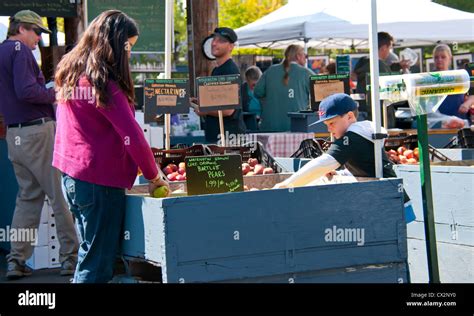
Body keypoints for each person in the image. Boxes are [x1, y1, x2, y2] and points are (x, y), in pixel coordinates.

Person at [53, 10, 169, 283]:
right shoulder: (103, 82)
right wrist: (153, 175)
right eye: (128, 46)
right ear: (114, 44)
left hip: (72, 175)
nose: (129, 53)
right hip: (98, 180)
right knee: (97, 265)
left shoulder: (70, 72)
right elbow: (133, 134)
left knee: (90, 253)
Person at [0, 10, 79, 280]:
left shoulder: (1, 51)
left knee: (27, 199)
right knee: (59, 195)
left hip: (14, 135)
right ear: (21, 28)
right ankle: (71, 259)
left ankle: (16, 261)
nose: (38, 39)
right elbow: (26, 91)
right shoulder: (19, 50)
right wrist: (55, 93)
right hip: (37, 131)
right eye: (36, 32)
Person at [274, 94, 415, 223]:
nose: (329, 129)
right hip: (391, 200)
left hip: (390, 203)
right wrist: (342, 173)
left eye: (332, 123)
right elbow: (364, 166)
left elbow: (322, 163)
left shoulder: (353, 137)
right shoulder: (359, 134)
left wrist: (287, 185)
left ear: (349, 117)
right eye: (326, 125)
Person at [194, 27, 246, 143]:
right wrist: (199, 102)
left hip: (228, 137)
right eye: (214, 38)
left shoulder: (230, 70)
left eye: (221, 40)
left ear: (231, 46)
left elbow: (228, 110)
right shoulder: (217, 70)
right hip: (218, 136)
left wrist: (204, 110)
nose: (214, 43)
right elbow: (216, 102)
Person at [254, 45, 315, 132]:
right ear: (298, 56)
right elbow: (320, 95)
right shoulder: (306, 73)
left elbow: (257, 92)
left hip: (270, 126)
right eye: (305, 55)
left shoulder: (270, 71)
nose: (306, 58)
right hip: (296, 126)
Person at [352, 32, 410, 122]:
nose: (389, 52)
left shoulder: (363, 62)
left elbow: (380, 72)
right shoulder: (380, 65)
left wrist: (398, 66)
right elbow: (396, 95)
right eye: (389, 48)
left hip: (366, 115)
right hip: (381, 118)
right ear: (383, 48)